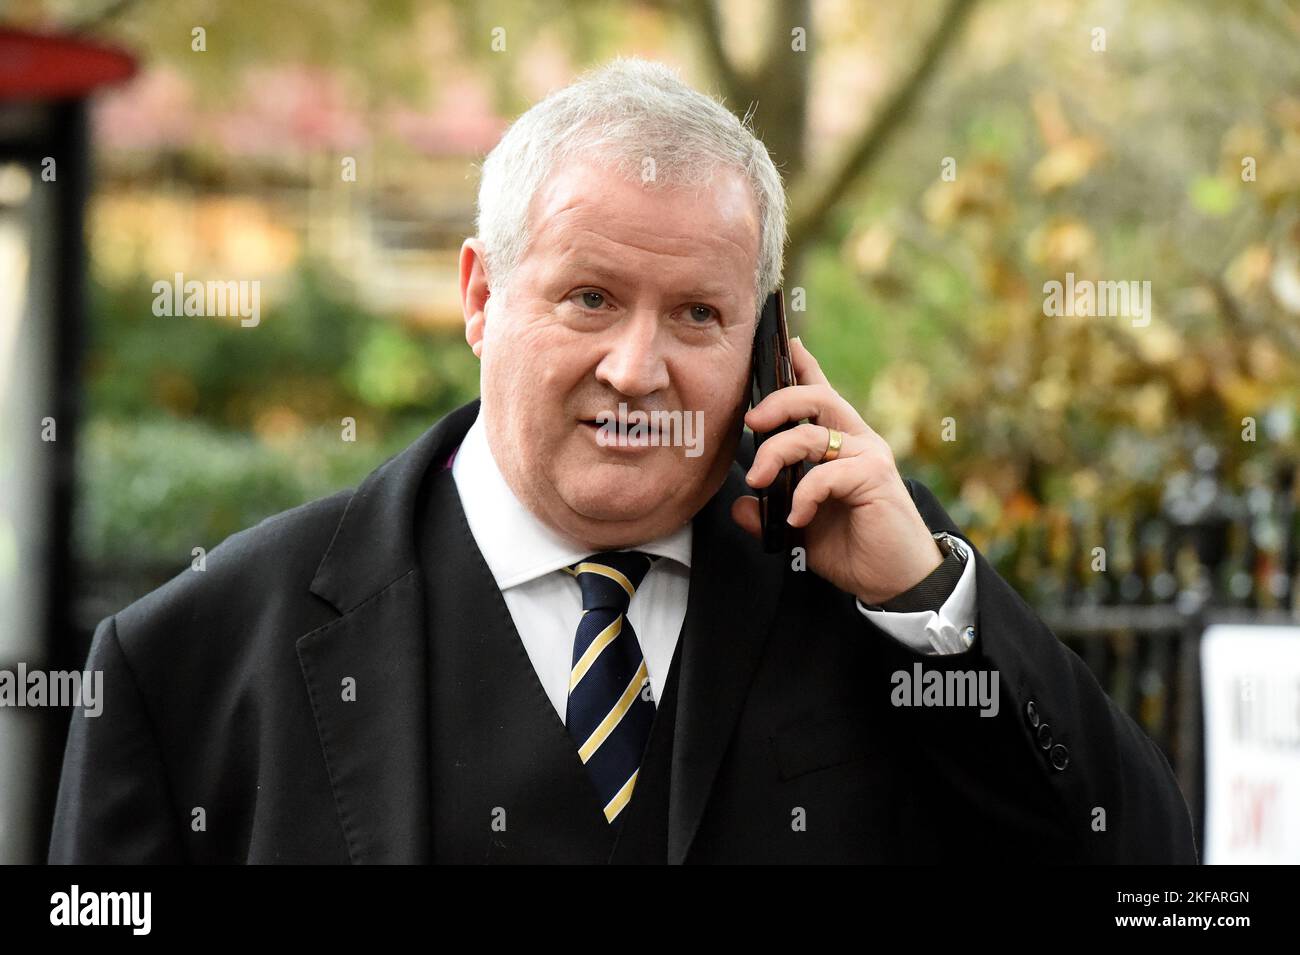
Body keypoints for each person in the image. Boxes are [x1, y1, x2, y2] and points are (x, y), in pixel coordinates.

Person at [49, 57, 1197, 864]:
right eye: (589, 298)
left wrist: (929, 599)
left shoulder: (867, 590)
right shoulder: (184, 667)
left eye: (697, 314)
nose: (636, 367)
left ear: (764, 344)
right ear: (480, 296)